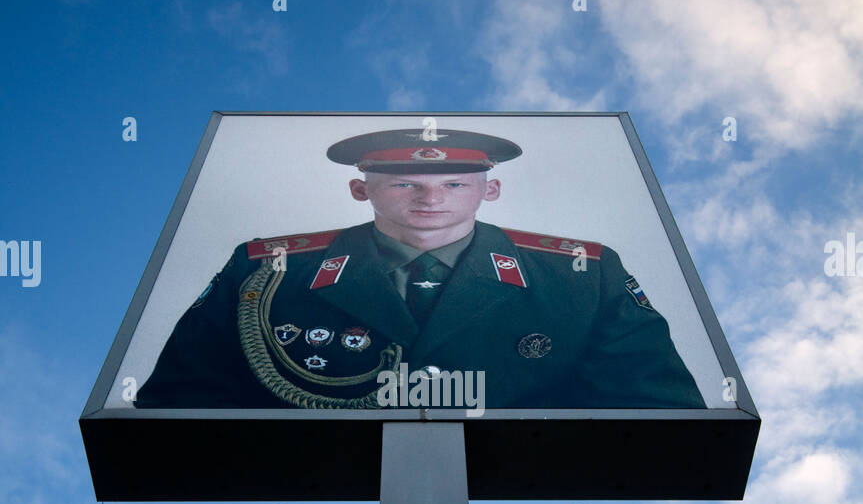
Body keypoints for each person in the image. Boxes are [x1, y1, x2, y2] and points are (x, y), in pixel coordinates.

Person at [134, 127, 705, 410]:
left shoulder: (581, 273)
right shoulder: (272, 267)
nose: (431, 199)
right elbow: (181, 404)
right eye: (405, 182)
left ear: (492, 187)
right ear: (361, 188)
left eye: (454, 183)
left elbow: (658, 412)